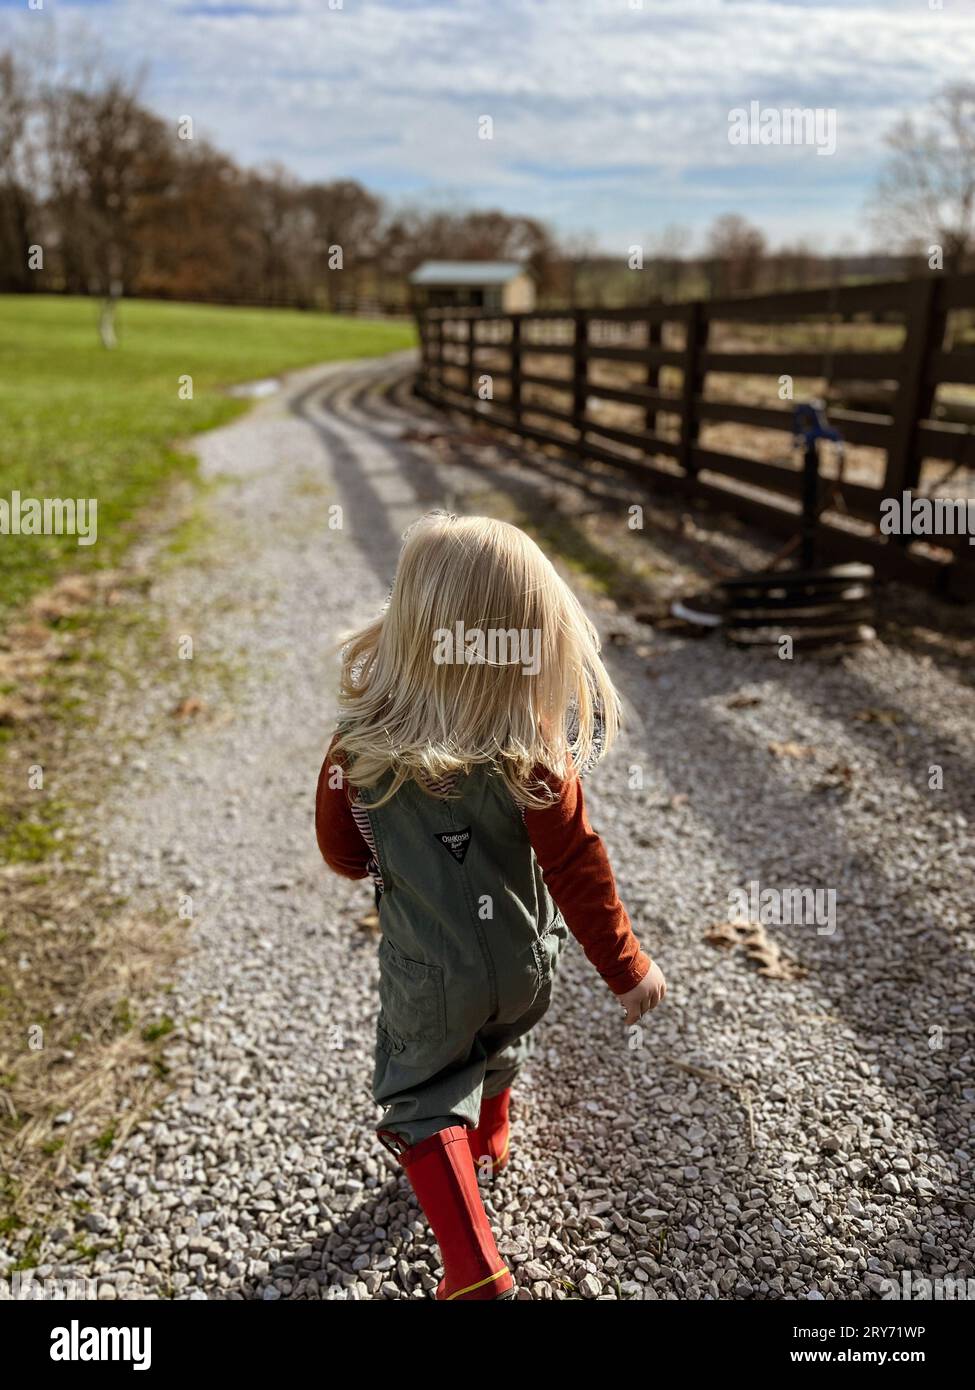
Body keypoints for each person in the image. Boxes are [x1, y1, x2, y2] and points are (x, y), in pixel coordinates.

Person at [316, 512, 666, 1301]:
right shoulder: (536, 753)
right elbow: (578, 865)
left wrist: (394, 854)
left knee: (420, 1095)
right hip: (523, 963)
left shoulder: (359, 753)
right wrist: (627, 966)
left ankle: (473, 1270)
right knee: (498, 1035)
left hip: (430, 972)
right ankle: (495, 1134)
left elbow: (342, 855)